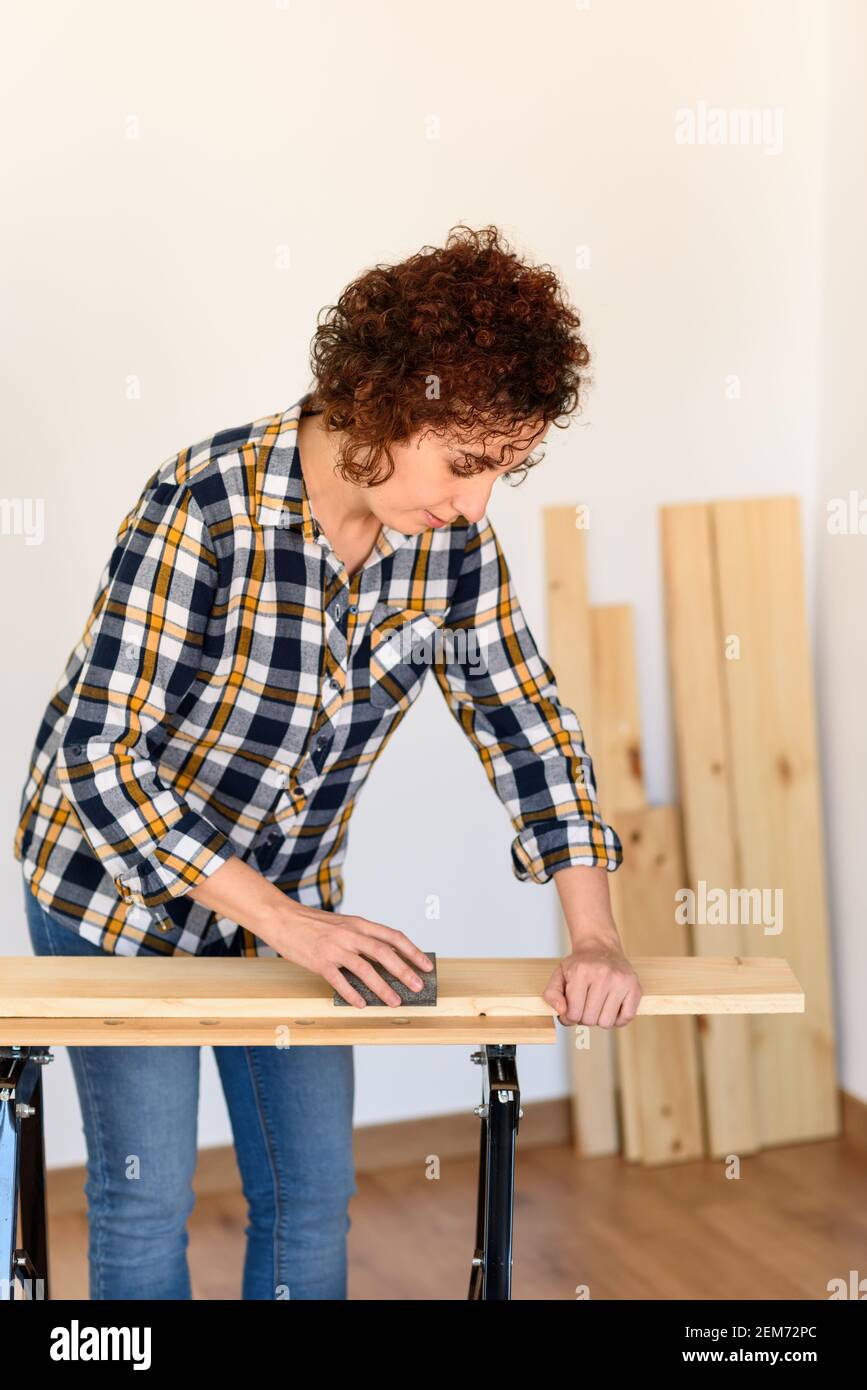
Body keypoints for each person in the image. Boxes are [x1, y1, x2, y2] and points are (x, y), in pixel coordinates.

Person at [14, 224, 641, 1301]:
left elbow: (528, 728)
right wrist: (298, 927)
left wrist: (597, 933)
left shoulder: (448, 549)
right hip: (115, 893)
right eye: (465, 462)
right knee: (145, 1194)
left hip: (290, 894)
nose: (478, 501)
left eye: (503, 469)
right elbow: (99, 756)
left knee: (310, 1195)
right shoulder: (206, 504)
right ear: (386, 408)